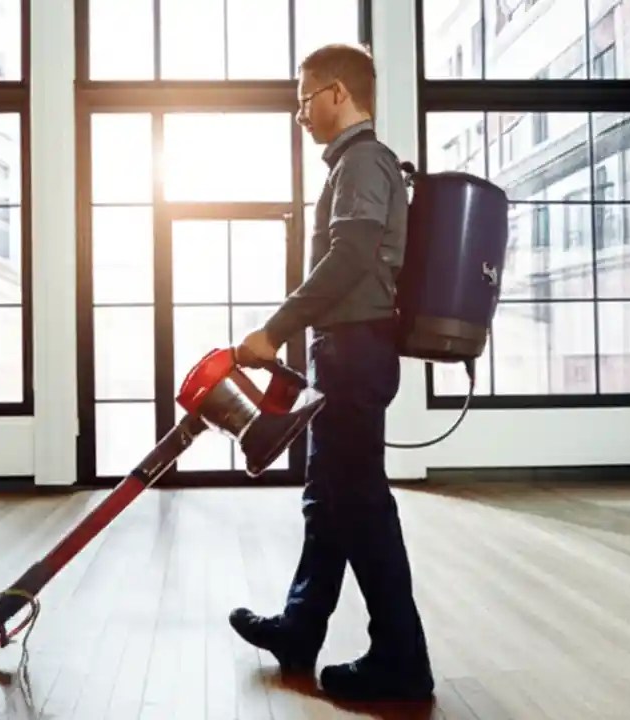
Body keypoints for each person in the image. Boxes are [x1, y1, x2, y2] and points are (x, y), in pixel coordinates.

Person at [230, 43, 434, 703]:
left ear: (338, 94)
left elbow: (349, 259)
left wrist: (274, 329)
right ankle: (300, 630)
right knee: (328, 498)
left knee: (361, 504)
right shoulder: (354, 164)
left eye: (304, 100)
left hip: (355, 351)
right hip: (343, 350)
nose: (300, 114)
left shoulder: (364, 162)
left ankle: (402, 660)